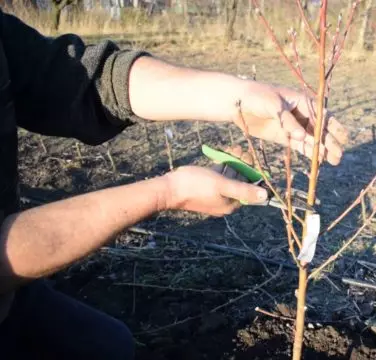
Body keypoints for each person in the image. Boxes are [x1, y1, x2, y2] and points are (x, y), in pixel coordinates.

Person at [0, 7, 347, 360]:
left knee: (110, 345)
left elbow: (88, 81)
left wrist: (240, 98)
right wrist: (168, 192)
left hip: (16, 297)